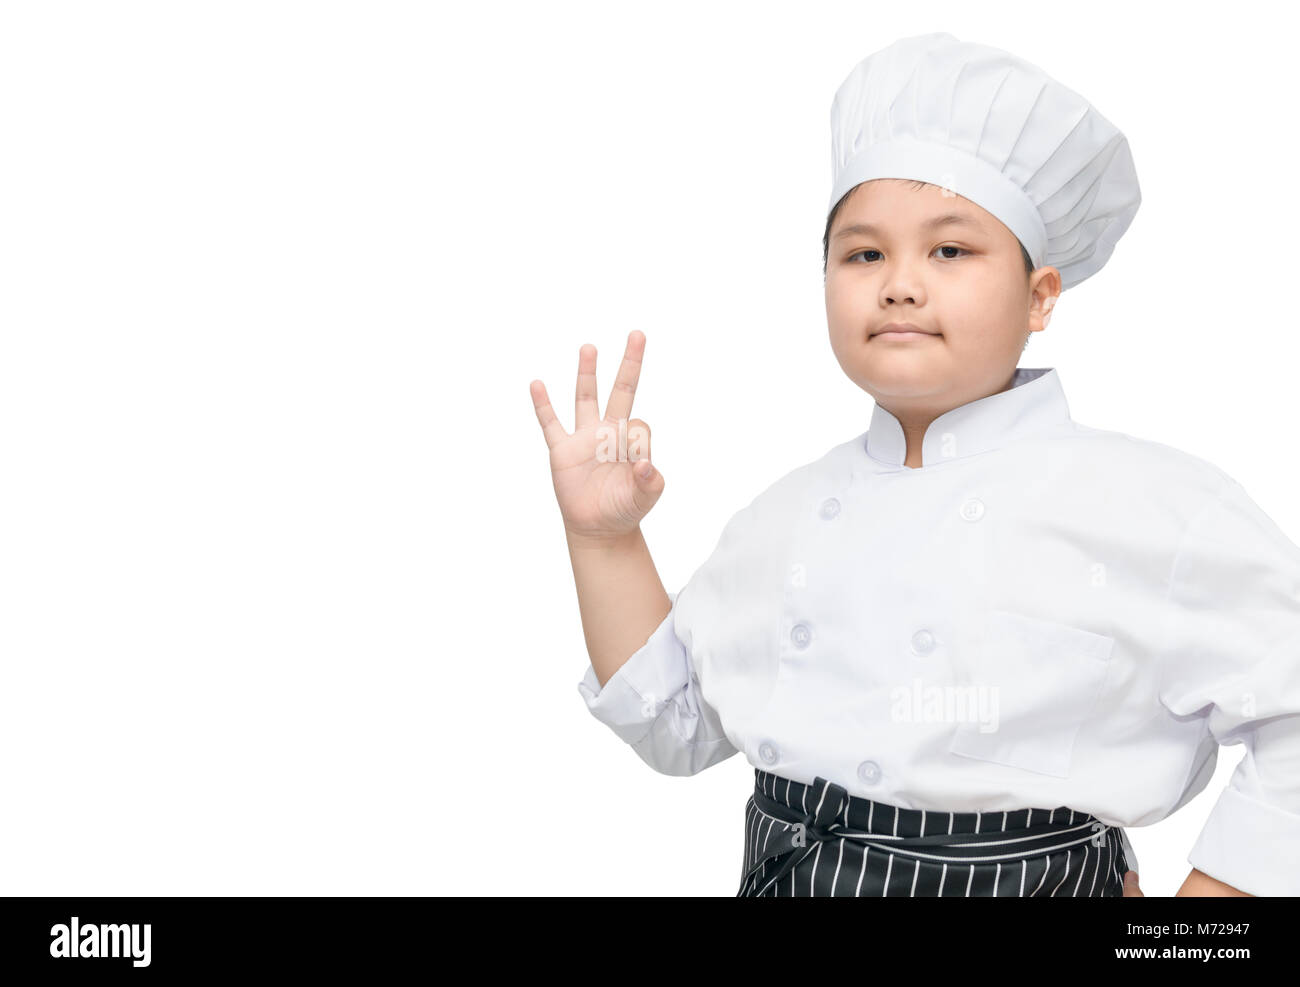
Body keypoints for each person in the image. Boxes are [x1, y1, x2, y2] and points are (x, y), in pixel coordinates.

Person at [531, 33, 1297, 896]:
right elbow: (674, 724)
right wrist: (604, 540)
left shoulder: (1153, 504)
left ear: (1041, 295)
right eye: (864, 254)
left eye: (950, 250)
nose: (899, 283)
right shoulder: (783, 517)